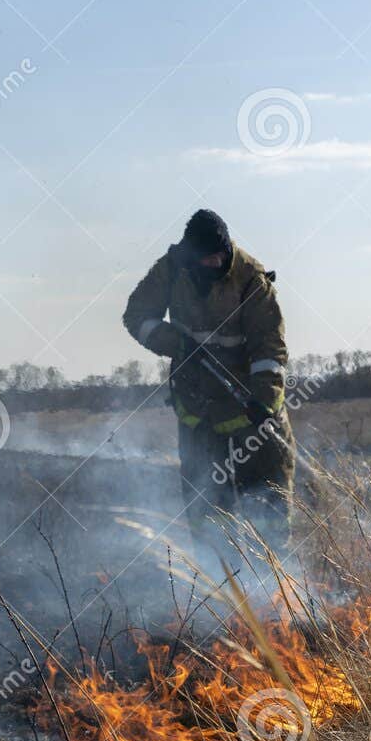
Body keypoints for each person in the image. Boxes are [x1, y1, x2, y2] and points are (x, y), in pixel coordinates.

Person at [122, 209, 294, 558]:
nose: (215, 263)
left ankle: (273, 578)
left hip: (251, 411)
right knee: (206, 508)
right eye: (207, 258)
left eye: (220, 255)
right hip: (197, 409)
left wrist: (264, 402)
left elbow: (270, 350)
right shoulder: (172, 270)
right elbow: (137, 315)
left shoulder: (251, 280)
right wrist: (177, 344)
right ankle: (219, 576)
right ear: (191, 255)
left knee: (269, 503)